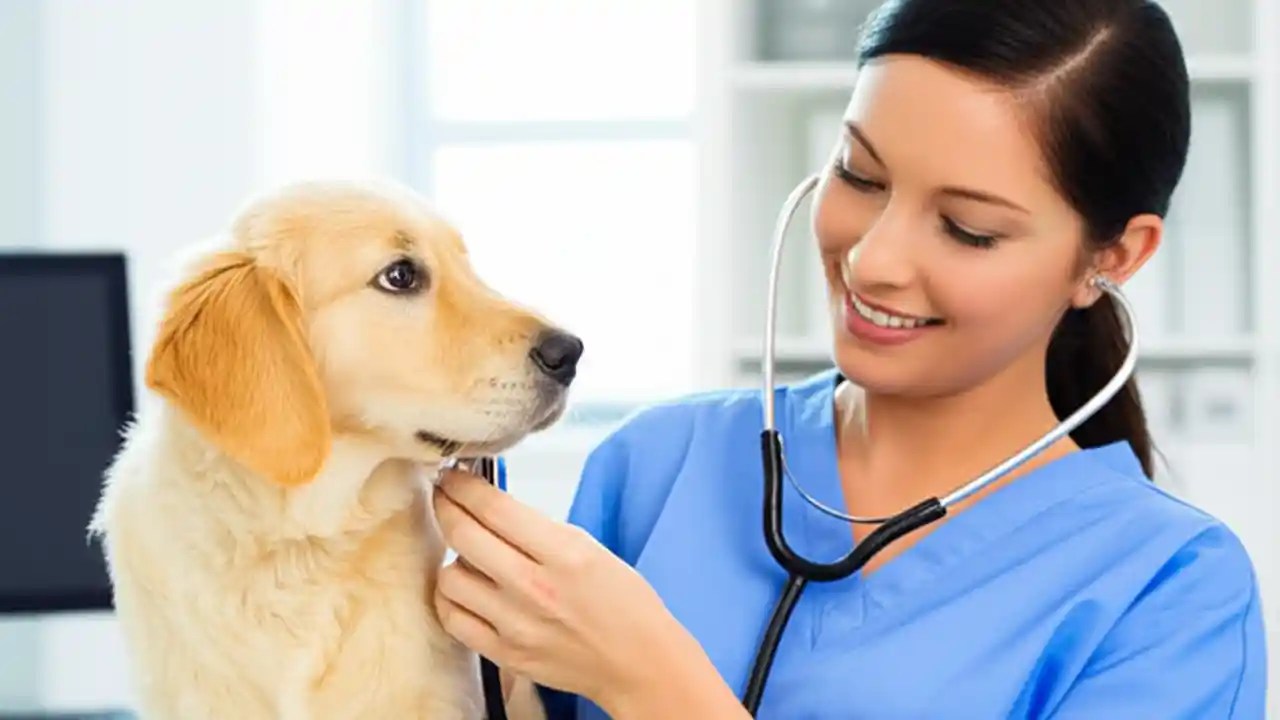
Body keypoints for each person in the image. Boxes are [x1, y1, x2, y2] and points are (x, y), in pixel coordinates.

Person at [430, 0, 1269, 717]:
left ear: (1113, 257)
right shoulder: (658, 466)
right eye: (859, 175)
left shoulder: (1170, 591)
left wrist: (653, 684)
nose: (872, 261)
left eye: (968, 229)